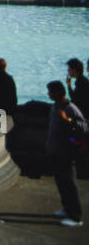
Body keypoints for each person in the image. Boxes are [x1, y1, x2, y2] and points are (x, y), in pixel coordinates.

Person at [45, 80, 86, 227]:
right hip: (56, 151)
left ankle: (76, 217)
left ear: (57, 93)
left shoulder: (70, 108)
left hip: (66, 153)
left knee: (69, 183)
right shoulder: (55, 106)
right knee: (61, 182)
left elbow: (83, 127)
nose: (48, 94)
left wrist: (68, 120)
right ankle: (67, 209)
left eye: (50, 92)